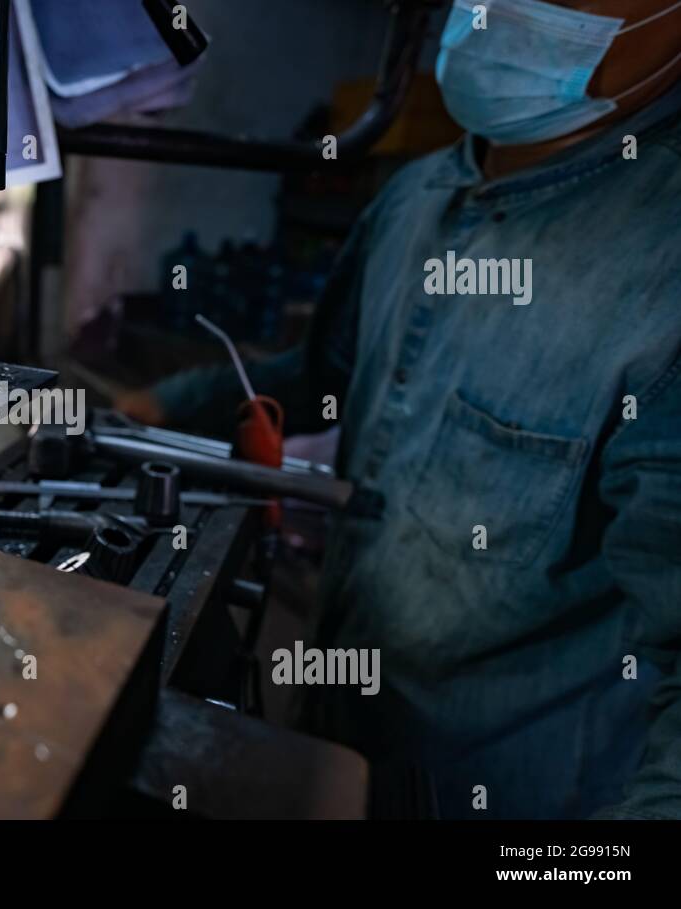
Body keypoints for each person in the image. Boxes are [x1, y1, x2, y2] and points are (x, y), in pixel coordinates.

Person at [117, 0, 681, 818]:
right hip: (342, 740)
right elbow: (326, 373)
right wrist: (146, 412)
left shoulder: (660, 266)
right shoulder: (419, 192)